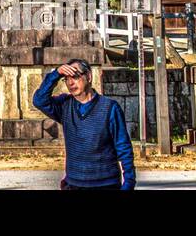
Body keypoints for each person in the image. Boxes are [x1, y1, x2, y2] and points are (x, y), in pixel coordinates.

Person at [32, 59, 135, 190]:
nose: (70, 82)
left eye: (75, 76)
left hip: (106, 184)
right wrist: (56, 73)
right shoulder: (65, 105)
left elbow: (123, 147)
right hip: (74, 183)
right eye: (66, 78)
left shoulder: (110, 108)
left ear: (89, 77)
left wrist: (129, 183)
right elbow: (39, 100)